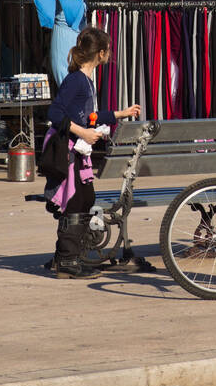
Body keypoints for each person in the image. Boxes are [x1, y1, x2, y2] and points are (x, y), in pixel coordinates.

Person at [38, 27, 141, 279]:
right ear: (102, 53)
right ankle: (67, 261)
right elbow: (54, 113)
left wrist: (119, 114)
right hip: (69, 151)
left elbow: (90, 117)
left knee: (85, 199)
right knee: (75, 201)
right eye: (108, 51)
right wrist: (82, 133)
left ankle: (67, 256)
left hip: (78, 152)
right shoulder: (76, 80)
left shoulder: (85, 80)